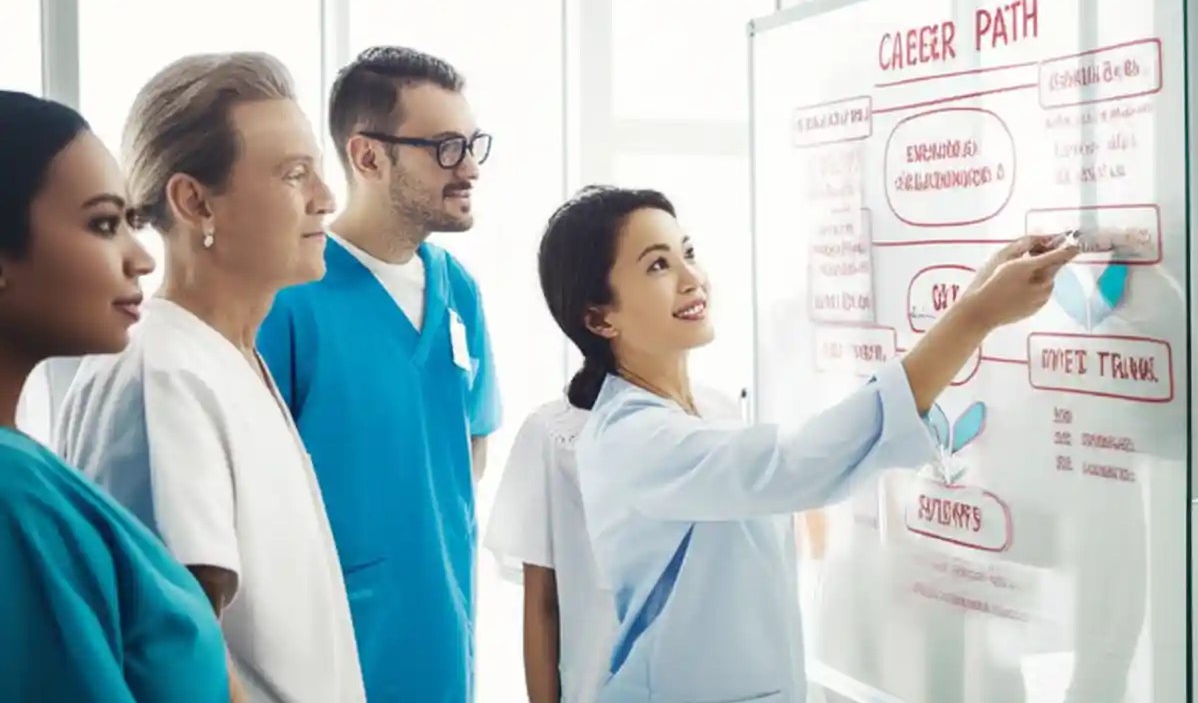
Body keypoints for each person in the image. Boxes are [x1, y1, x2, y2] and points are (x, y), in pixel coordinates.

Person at [536, 185, 1080, 702]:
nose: (691, 278)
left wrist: (977, 296)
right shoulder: (633, 439)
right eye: (658, 265)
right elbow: (796, 463)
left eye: (688, 253)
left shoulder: (710, 409)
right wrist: (976, 316)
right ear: (599, 317)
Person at [54, 54, 364, 703]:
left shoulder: (230, 361)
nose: (325, 198)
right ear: (195, 202)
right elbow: (170, 658)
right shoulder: (162, 375)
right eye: (293, 174)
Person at [257, 46, 501, 702]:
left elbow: (470, 445)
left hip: (444, 638)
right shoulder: (288, 296)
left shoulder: (461, 293)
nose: (471, 166)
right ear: (367, 156)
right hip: (333, 651)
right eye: (447, 148)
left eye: (474, 143)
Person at [0, 90, 232, 701]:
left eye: (132, 220)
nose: (140, 258)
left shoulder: (28, 470)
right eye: (103, 224)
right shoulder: (12, 499)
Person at [484, 382, 740, 703]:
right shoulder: (552, 432)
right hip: (597, 685)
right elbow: (541, 603)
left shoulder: (720, 416)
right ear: (601, 327)